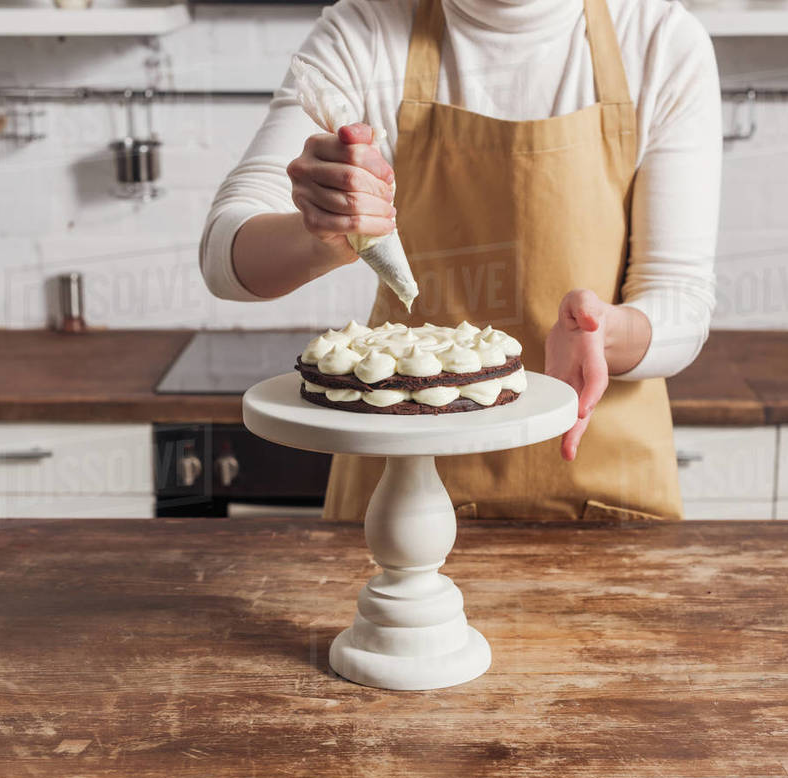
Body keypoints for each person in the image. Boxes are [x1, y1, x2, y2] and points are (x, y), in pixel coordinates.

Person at [201, 0, 720, 522]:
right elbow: (226, 255)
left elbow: (680, 295)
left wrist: (605, 331)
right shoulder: (367, 30)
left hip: (605, 482)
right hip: (402, 488)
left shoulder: (660, 42)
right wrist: (328, 233)